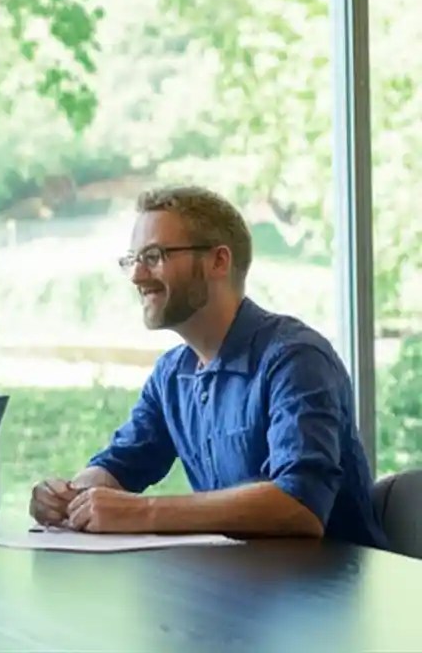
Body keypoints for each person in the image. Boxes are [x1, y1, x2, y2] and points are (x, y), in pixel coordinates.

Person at [29, 185, 386, 548]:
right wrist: (69, 497)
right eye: (132, 259)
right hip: (239, 591)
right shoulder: (172, 375)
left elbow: (300, 505)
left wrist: (142, 511)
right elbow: (119, 466)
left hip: (331, 594)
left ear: (219, 261)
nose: (136, 276)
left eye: (153, 256)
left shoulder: (295, 359)